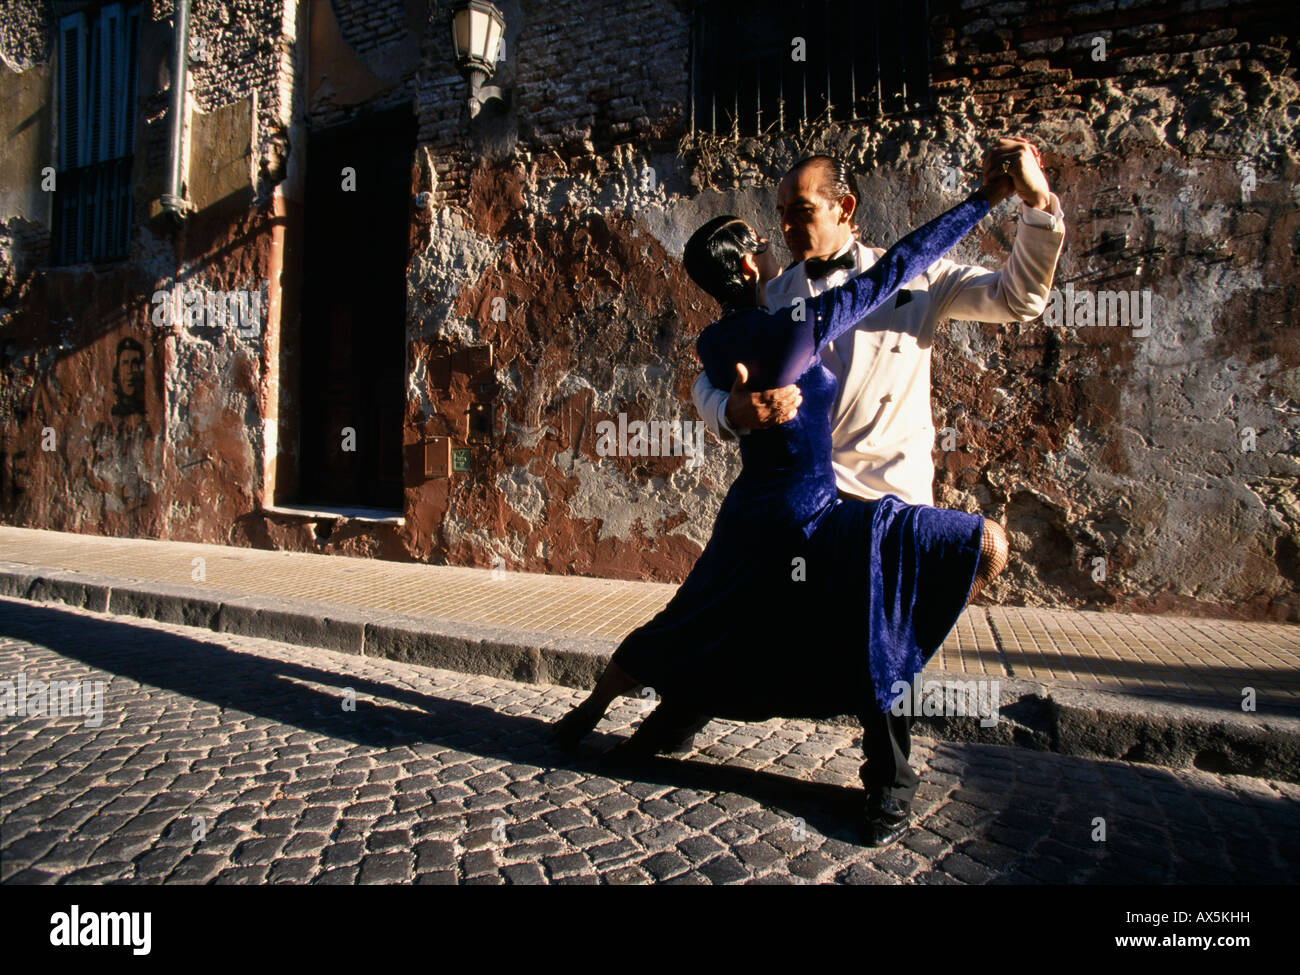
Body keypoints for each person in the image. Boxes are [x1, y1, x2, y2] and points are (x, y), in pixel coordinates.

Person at [549, 169, 1016, 846]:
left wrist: (733, 398)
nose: (779, 245)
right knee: (882, 617)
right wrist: (983, 198)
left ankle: (601, 716)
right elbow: (905, 261)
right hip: (813, 514)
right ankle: (876, 773)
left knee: (699, 618)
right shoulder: (795, 324)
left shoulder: (718, 338)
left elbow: (709, 375)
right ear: (746, 264)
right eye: (767, 238)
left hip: (749, 515)